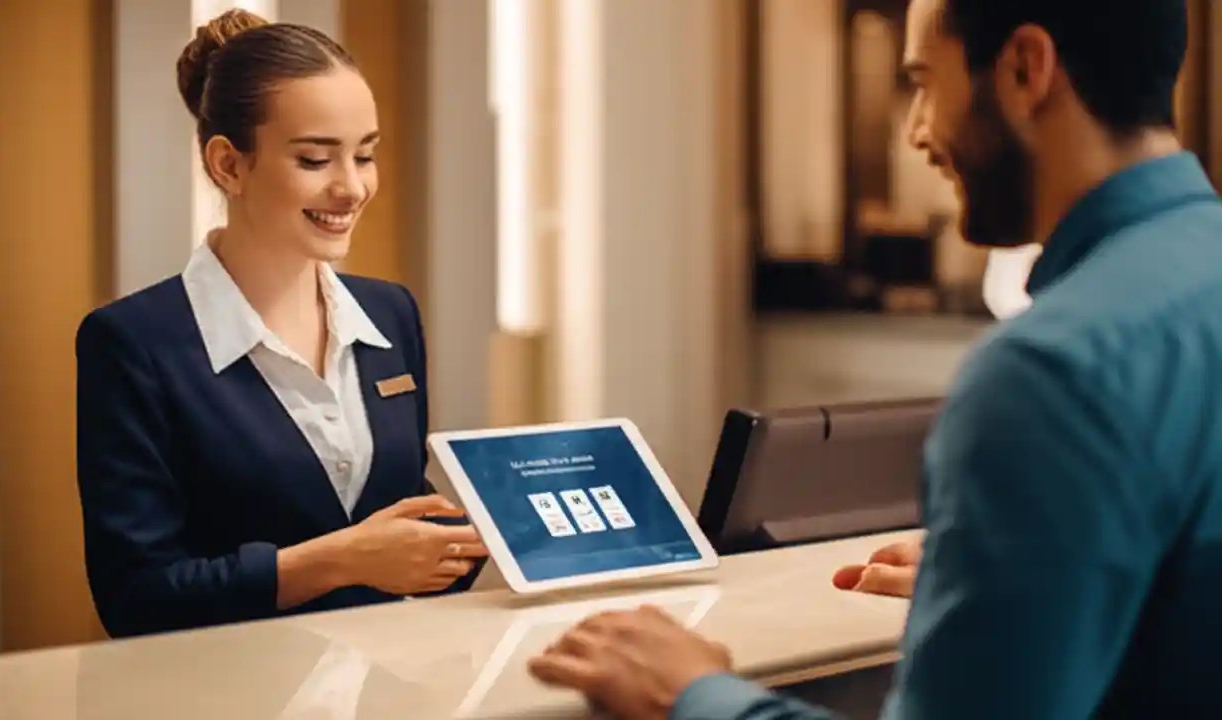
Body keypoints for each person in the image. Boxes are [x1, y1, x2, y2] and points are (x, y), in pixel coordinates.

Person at [529, 0, 1222, 717]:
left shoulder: (1049, 372)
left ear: (1024, 68)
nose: (920, 129)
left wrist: (693, 695)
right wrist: (1023, 573)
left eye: (927, 81)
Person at [75, 9, 486, 638]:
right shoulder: (133, 344)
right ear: (228, 165)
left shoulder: (389, 314)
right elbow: (137, 599)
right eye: (316, 159)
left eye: (366, 155)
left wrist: (504, 526)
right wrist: (338, 560)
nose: (352, 188)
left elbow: (402, 526)